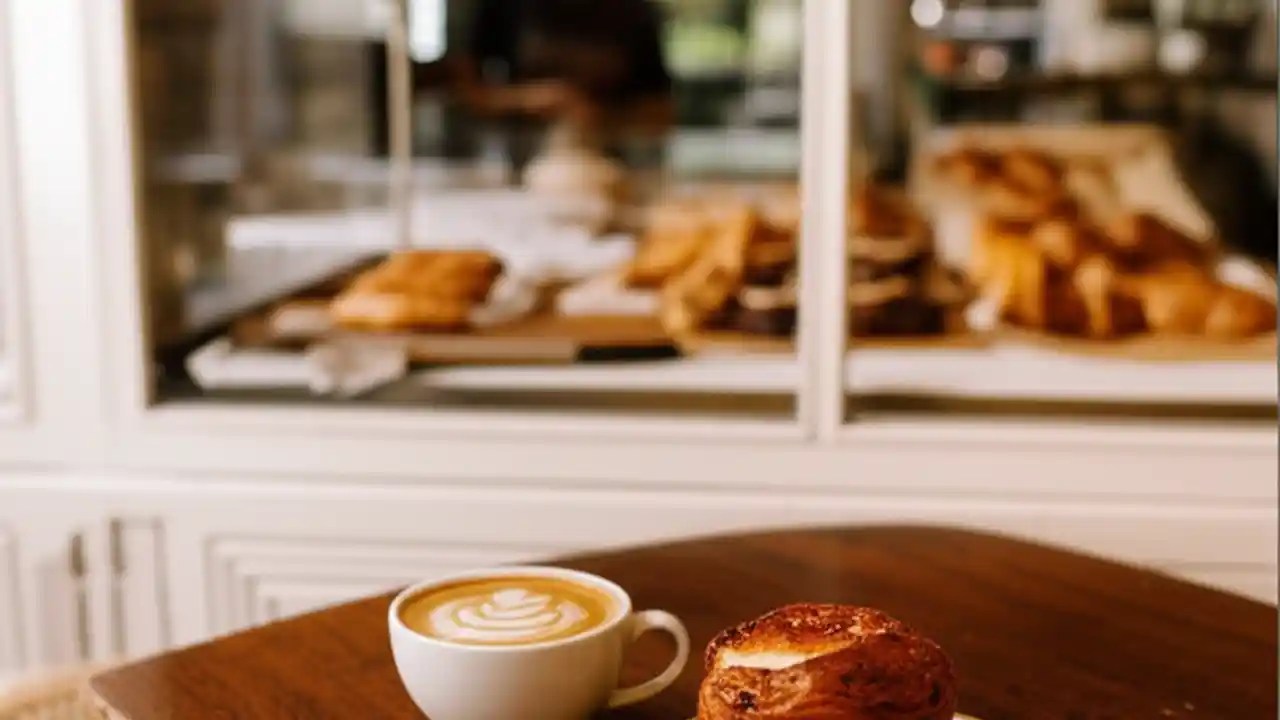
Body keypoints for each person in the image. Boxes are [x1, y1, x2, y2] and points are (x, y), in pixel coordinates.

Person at [451, 0, 675, 177]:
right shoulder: (506, 6)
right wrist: (530, 99)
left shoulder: (635, 10)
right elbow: (467, 92)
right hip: (513, 169)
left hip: (607, 171)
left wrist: (594, 117)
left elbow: (660, 113)